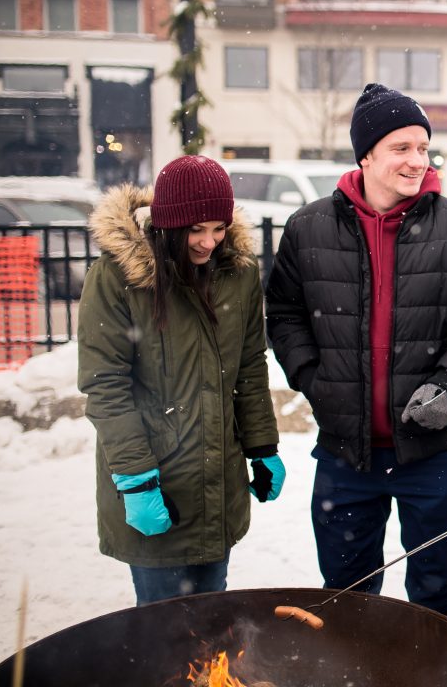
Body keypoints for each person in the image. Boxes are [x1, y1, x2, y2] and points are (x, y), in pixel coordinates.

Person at [266, 83, 447, 626]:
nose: (416, 161)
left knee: (437, 595)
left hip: (433, 454)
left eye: (423, 148)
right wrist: (315, 379)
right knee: (346, 598)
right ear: (367, 154)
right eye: (401, 148)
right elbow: (283, 313)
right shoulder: (308, 229)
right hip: (345, 457)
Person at [77, 154, 285, 605]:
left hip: (218, 477)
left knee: (211, 624)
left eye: (218, 227)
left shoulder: (238, 274)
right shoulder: (118, 278)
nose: (209, 241)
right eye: (195, 229)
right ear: (168, 225)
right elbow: (105, 385)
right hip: (159, 478)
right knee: (163, 630)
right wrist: (136, 481)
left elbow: (249, 366)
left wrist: (262, 446)